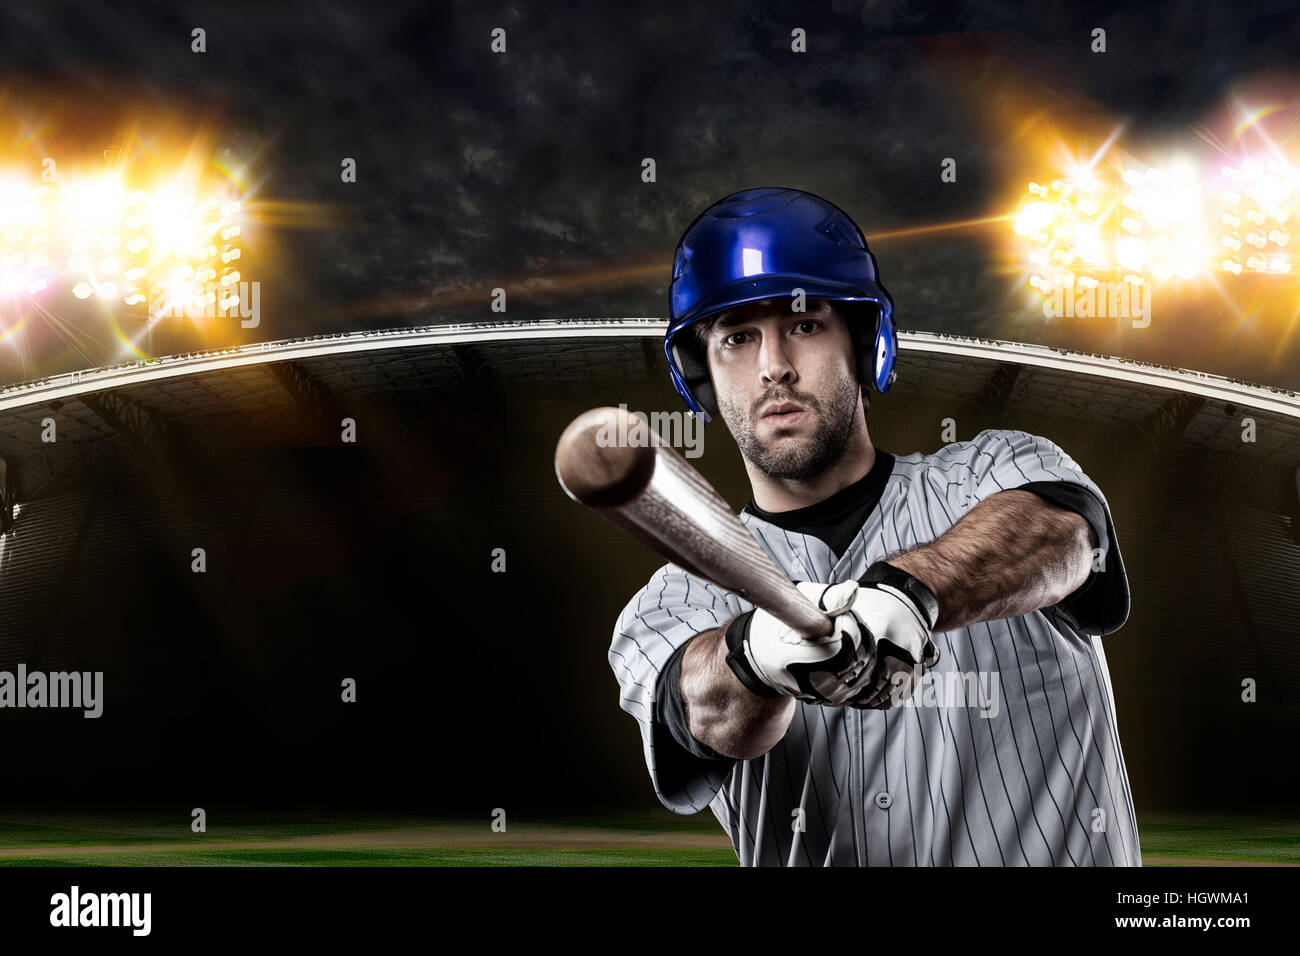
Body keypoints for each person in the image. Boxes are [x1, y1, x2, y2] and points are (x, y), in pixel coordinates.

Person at [608, 187, 1139, 866]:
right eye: (738, 336)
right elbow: (708, 712)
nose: (774, 365)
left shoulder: (995, 469)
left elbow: (1057, 537)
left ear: (863, 343)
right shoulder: (675, 599)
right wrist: (758, 654)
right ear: (701, 375)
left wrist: (906, 593)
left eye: (803, 324)